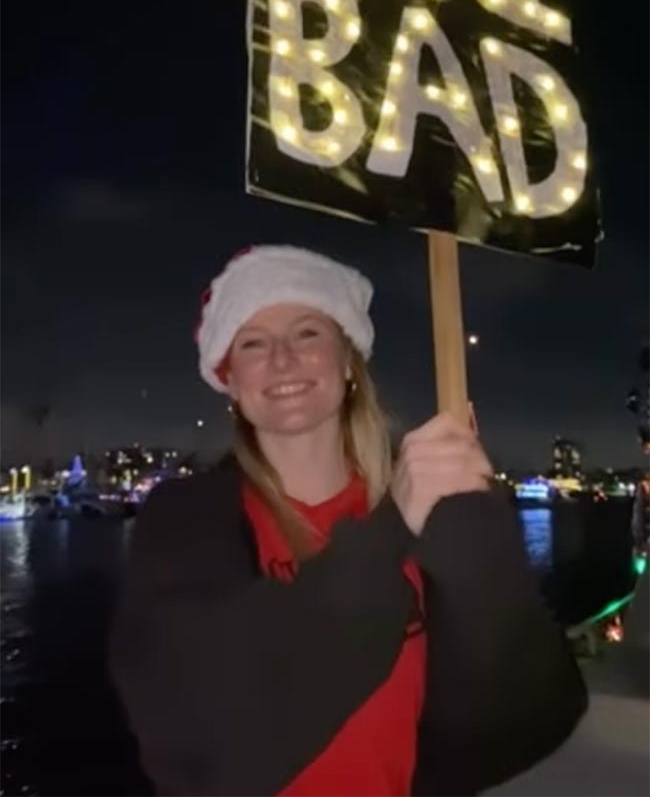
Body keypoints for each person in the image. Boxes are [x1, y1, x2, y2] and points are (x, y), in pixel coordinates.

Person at [110, 244, 587, 797]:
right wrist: (390, 530)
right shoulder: (184, 519)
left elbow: (532, 713)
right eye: (253, 343)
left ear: (348, 361)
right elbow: (199, 729)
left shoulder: (421, 509)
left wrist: (477, 534)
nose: (282, 360)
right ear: (232, 382)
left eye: (308, 333)